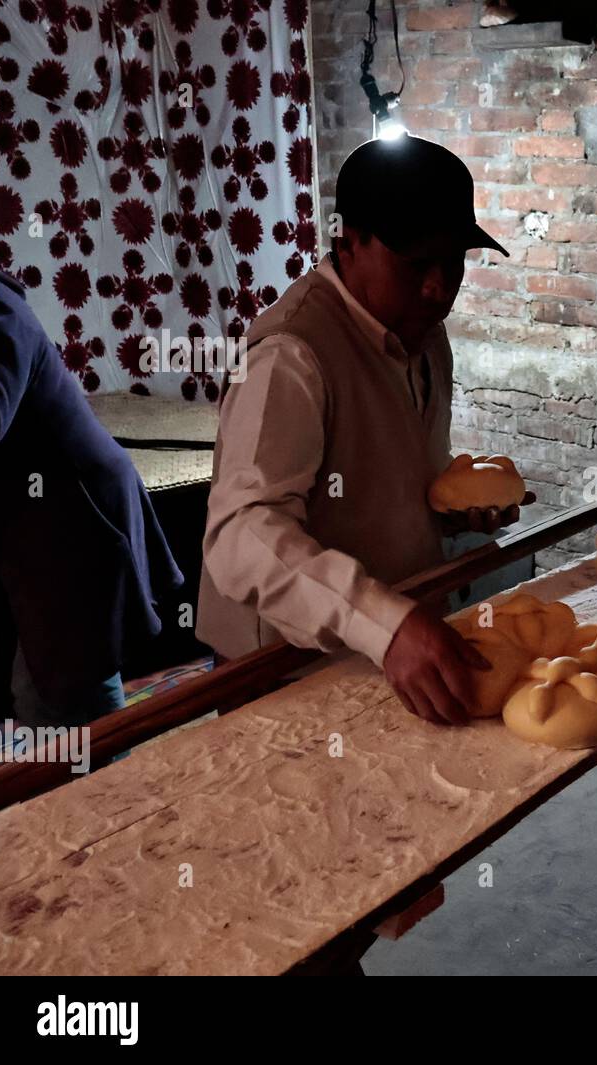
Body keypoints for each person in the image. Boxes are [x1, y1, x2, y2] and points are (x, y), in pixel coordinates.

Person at [198, 136, 531, 725]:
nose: (438, 286)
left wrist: (450, 513)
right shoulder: (289, 355)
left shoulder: (424, 336)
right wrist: (386, 622)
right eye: (414, 264)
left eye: (452, 260)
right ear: (347, 241)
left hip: (391, 652)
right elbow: (242, 534)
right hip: (284, 671)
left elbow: (386, 481)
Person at [0, 266, 182, 731]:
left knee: (63, 694)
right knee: (60, 684)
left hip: (77, 519)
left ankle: (115, 799)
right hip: (42, 520)